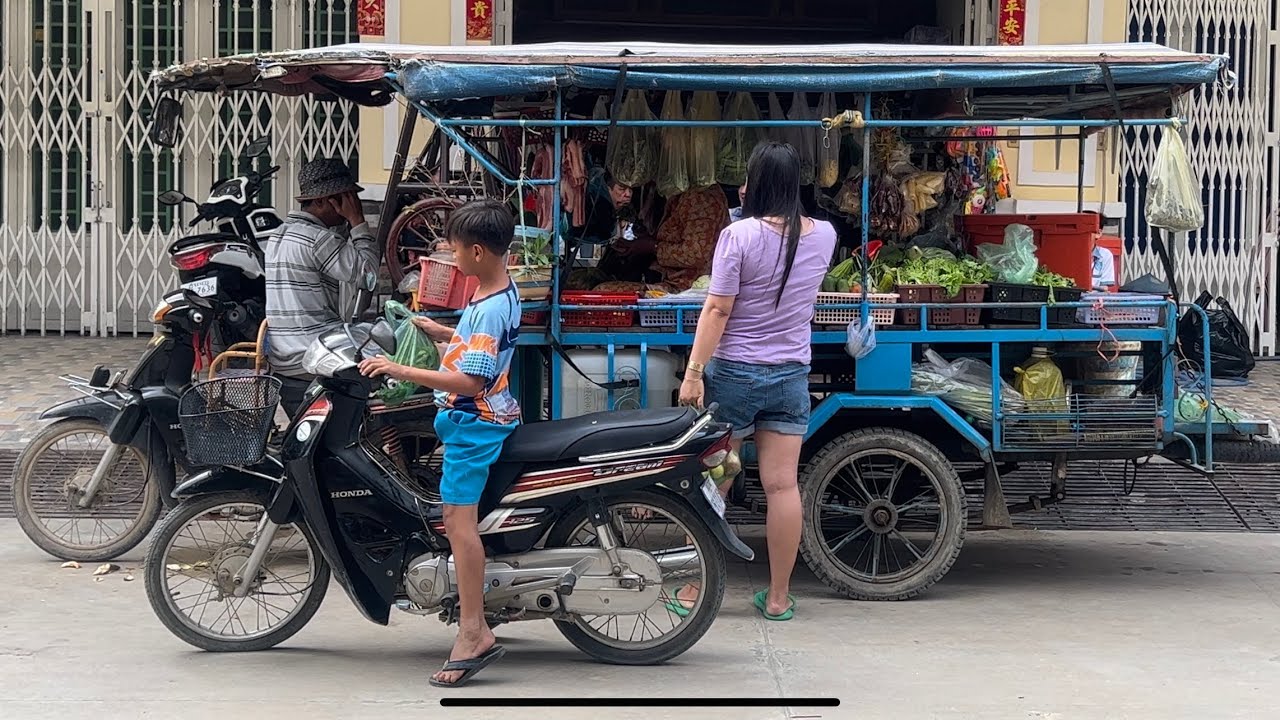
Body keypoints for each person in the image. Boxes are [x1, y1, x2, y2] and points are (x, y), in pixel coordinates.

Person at [357, 199, 520, 688]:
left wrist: (398, 369)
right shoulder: (498, 291)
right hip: (489, 416)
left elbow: (471, 381)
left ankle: (473, 632)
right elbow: (480, 352)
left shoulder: (488, 307)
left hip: (474, 425)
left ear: (475, 251)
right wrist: (443, 332)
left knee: (457, 523)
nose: (447, 257)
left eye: (451, 250)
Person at [677, 142, 837, 621]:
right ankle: (779, 596)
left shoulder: (738, 235)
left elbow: (718, 307)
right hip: (791, 376)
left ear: (756, 182)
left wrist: (692, 372)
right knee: (783, 487)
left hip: (735, 376)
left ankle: (691, 591)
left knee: (716, 480)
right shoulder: (825, 234)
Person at [264, 158, 379, 415]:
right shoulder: (318, 239)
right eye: (344, 201)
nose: (346, 210)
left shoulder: (278, 235)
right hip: (310, 354)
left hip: (284, 356)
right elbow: (369, 276)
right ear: (320, 201)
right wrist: (358, 222)